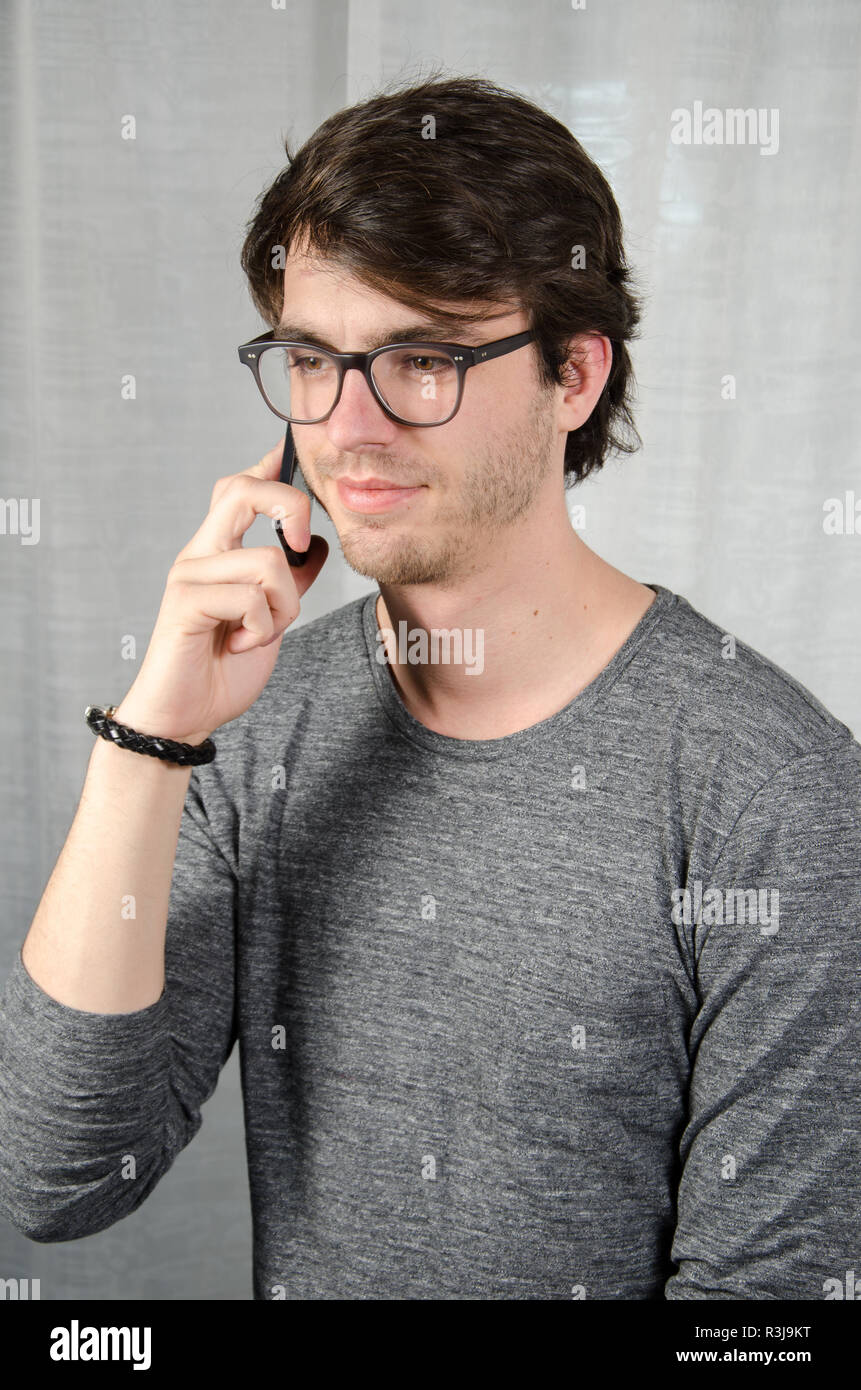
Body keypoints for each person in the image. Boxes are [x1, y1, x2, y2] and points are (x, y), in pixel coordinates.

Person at [1, 74, 858, 1301]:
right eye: (311, 359)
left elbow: (768, 1317)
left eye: (419, 359)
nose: (347, 427)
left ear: (573, 375)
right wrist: (148, 737)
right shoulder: (253, 725)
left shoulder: (774, 790)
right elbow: (55, 1175)